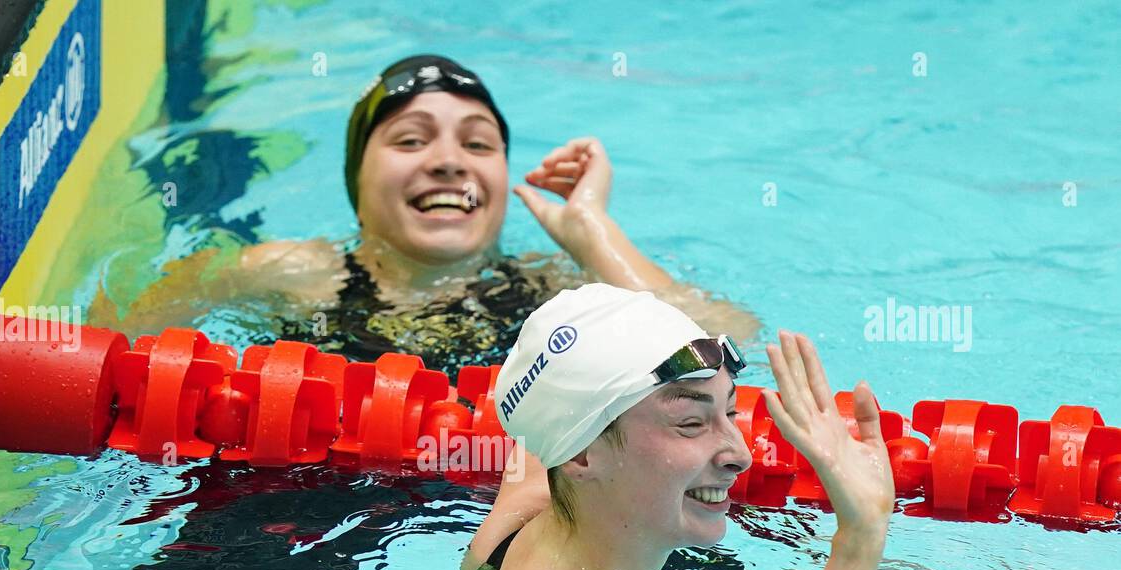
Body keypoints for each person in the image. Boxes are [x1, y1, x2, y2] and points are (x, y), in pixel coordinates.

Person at [96, 54, 759, 371]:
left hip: (505, 504)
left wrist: (596, 237)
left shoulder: (555, 290)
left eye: (478, 143)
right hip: (312, 485)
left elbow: (730, 347)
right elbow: (118, 340)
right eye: (411, 140)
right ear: (359, 180)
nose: (448, 162)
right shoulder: (294, 271)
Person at [461, 283, 895, 570]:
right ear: (584, 456)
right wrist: (859, 537)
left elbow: (559, 377)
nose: (741, 455)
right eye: (691, 424)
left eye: (730, 411)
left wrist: (593, 234)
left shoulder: (531, 490)